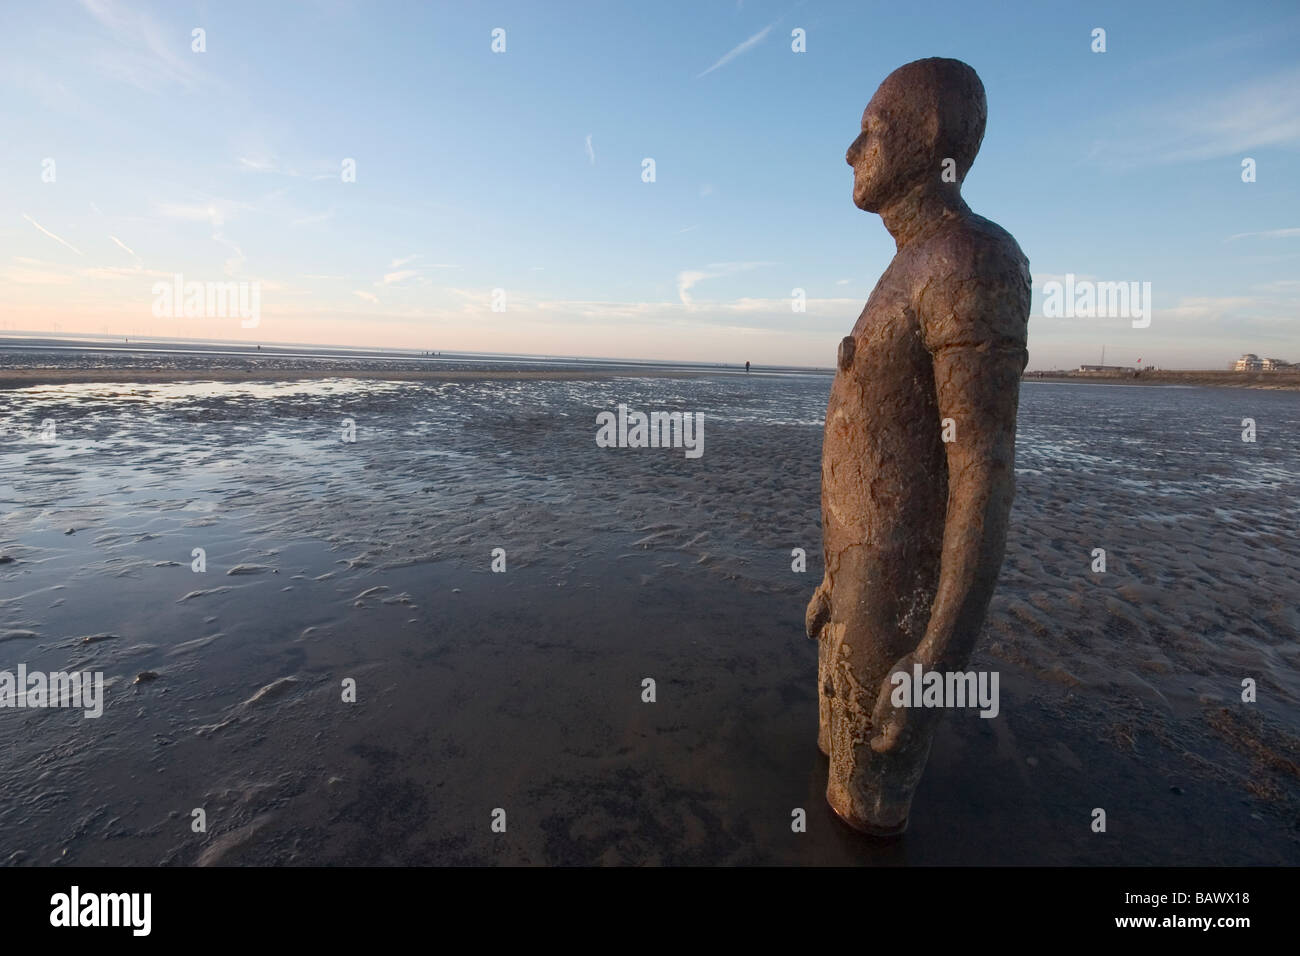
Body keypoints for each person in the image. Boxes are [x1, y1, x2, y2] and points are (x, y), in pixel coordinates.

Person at [805, 58, 1031, 835]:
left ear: (928, 135)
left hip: (898, 618)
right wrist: (836, 584)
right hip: (863, 594)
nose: (851, 150)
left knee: (862, 812)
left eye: (870, 129)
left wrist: (935, 661)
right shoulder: (911, 264)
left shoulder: (971, 259)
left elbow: (983, 471)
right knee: (835, 789)